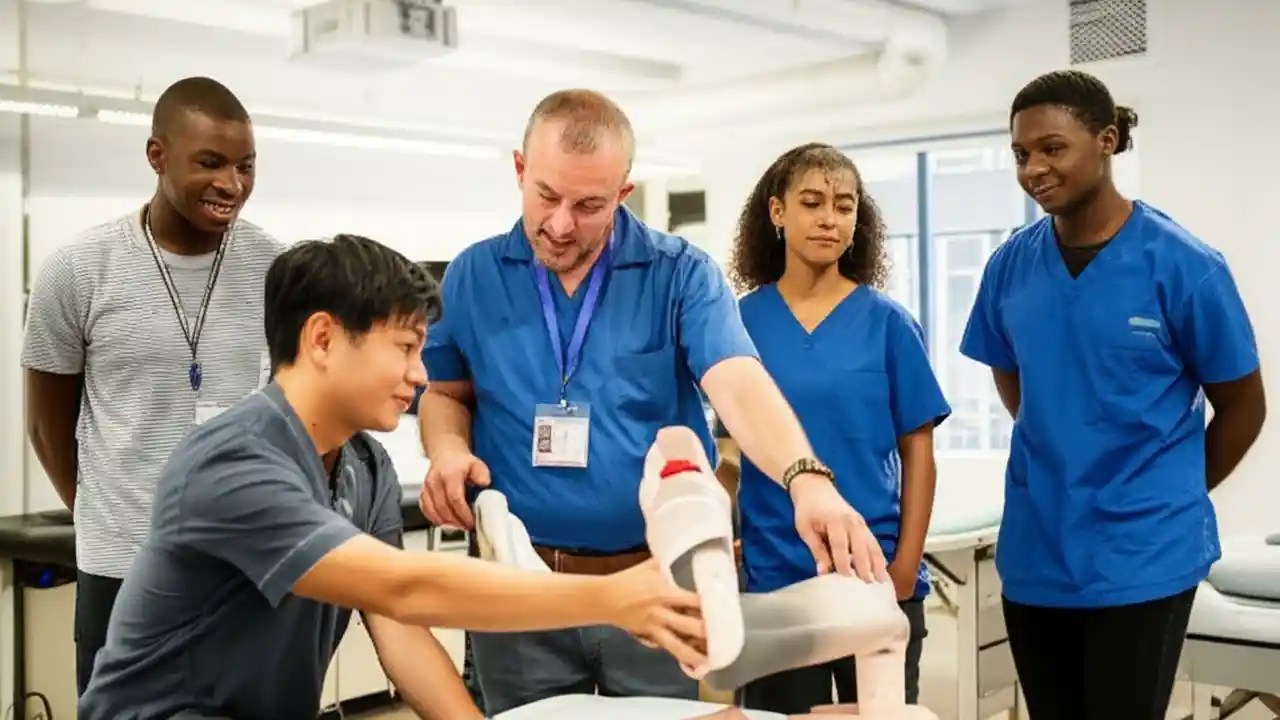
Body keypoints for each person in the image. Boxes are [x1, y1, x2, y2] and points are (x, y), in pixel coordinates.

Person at [78, 234, 708, 720]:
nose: (421, 376)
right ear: (323, 338)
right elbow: (408, 587)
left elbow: (399, 628)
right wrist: (613, 597)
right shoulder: (233, 461)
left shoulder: (362, 465)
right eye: (405, 348)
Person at [418, 88, 889, 715]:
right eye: (547, 196)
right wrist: (447, 449)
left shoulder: (679, 274)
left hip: (654, 587)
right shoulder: (473, 275)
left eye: (588, 205)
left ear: (623, 194)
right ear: (519, 170)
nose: (560, 224)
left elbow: (737, 381)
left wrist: (807, 479)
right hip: (521, 589)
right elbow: (447, 392)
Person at [960, 69, 1267, 719]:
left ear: (1106, 141)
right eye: (1020, 153)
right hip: (1038, 546)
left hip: (1143, 552)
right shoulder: (1010, 266)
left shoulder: (1185, 266)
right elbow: (1010, 371)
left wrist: (1171, 490)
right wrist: (1059, 441)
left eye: (1051, 148)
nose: (1033, 168)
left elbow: (1244, 405)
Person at [20, 76, 282, 694]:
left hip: (240, 564)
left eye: (246, 166)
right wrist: (112, 516)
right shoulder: (78, 269)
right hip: (119, 570)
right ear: (157, 156)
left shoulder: (277, 269)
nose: (232, 184)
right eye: (211, 163)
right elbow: (45, 423)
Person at [723, 142, 949, 713]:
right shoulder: (741, 324)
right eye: (812, 202)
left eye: (844, 206)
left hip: (873, 576)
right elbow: (726, 444)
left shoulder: (890, 325)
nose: (830, 218)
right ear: (777, 213)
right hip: (777, 582)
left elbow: (918, 453)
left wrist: (904, 569)